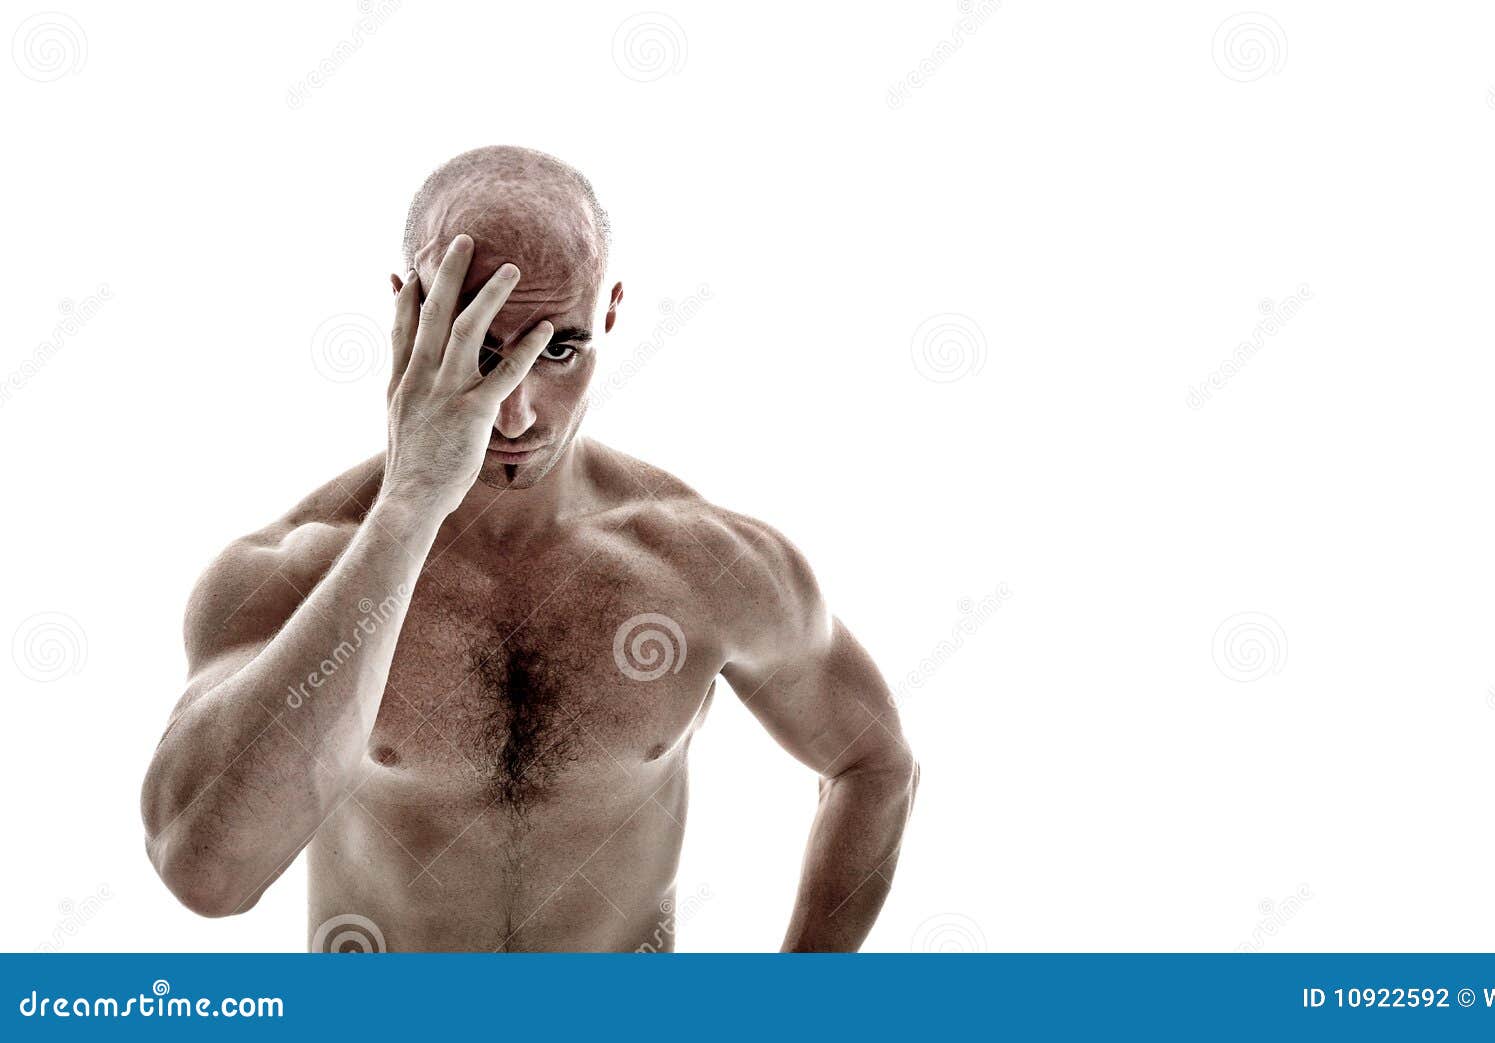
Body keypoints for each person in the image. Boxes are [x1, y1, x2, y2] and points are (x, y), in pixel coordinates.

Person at [139, 146, 919, 951]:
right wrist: (409, 507)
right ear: (411, 315)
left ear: (609, 312)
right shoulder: (295, 571)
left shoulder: (704, 564)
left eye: (557, 350)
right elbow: (207, 874)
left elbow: (874, 766)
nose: (514, 416)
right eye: (479, 351)